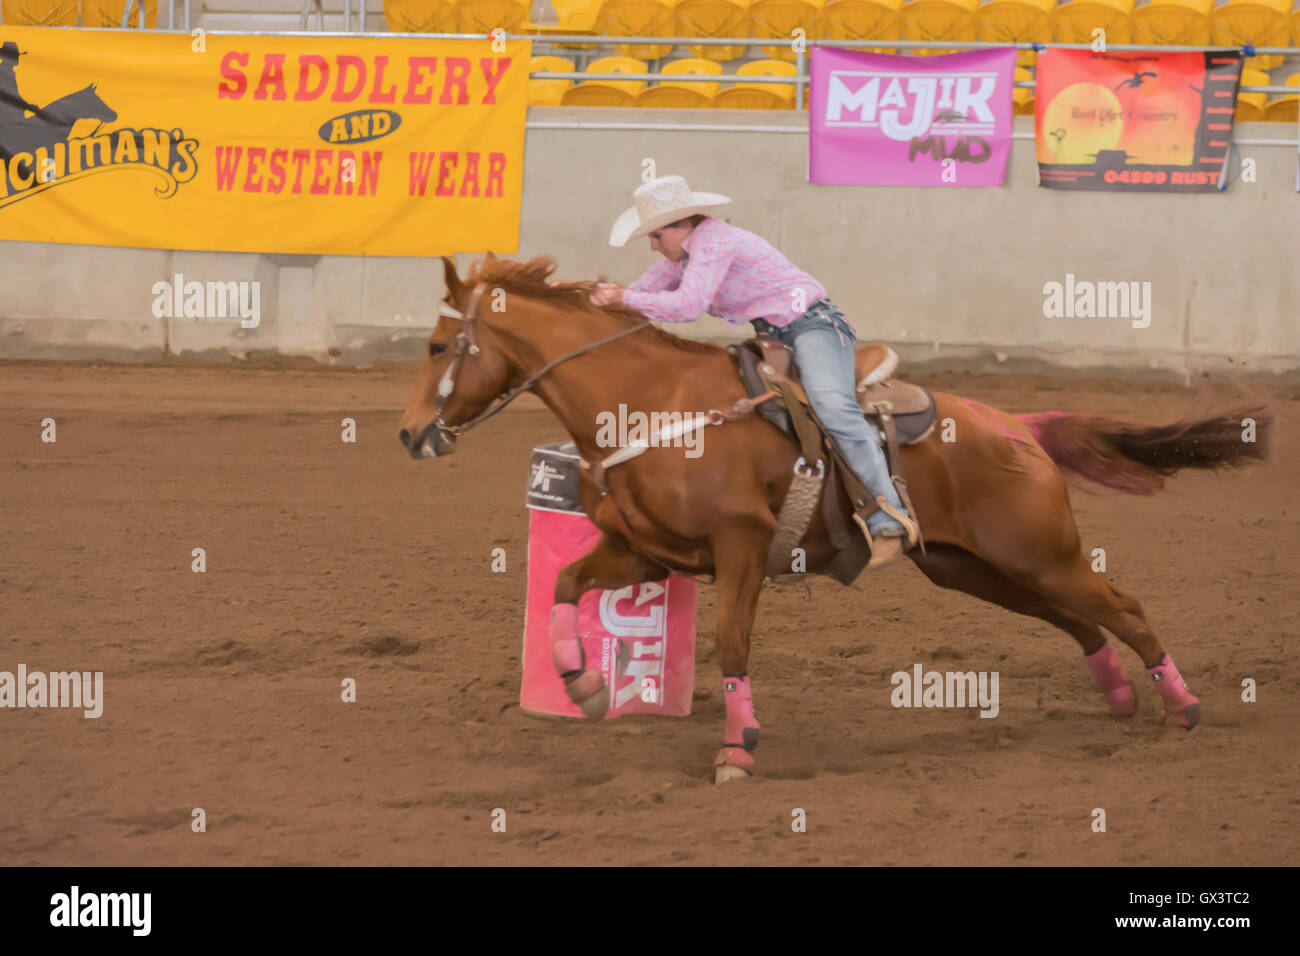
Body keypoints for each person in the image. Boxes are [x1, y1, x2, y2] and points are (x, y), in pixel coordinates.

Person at [591, 174, 919, 568]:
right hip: (775, 335)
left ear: (682, 226)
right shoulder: (683, 256)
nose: (653, 245)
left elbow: (688, 306)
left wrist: (623, 298)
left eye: (657, 236)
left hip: (813, 326)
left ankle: (890, 517)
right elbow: (640, 294)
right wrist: (589, 298)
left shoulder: (713, 240)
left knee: (833, 407)